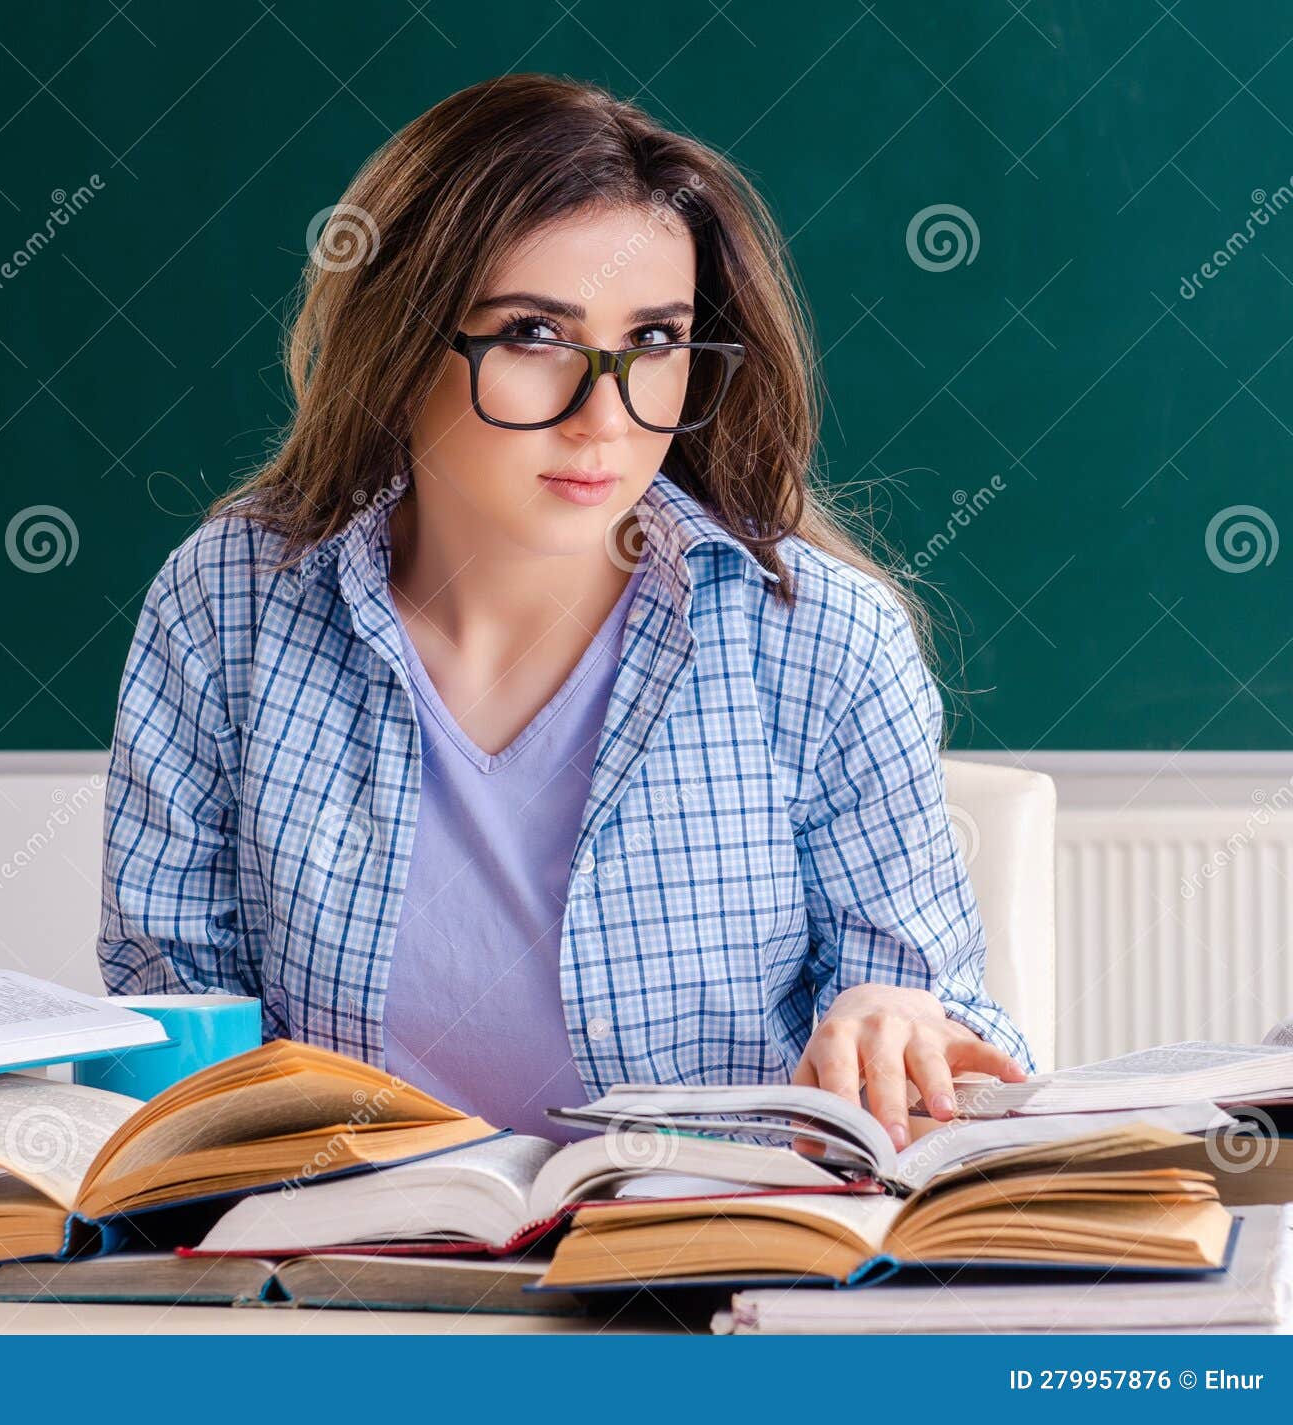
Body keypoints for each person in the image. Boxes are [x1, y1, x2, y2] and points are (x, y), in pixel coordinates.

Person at [98, 73, 1031, 1150]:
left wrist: (904, 1023)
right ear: (400, 347)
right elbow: (169, 1020)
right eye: (535, 336)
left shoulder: (822, 639)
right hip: (339, 1270)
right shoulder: (228, 603)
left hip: (700, 1279)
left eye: (653, 343)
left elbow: (964, 1053)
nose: (603, 418)